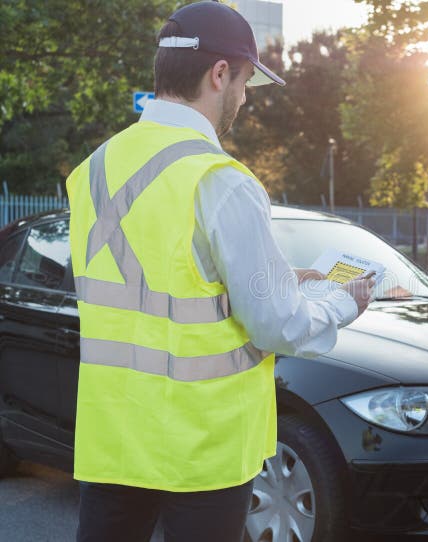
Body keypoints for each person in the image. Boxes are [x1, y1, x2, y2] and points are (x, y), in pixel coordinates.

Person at [65, 2, 375, 541]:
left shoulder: (93, 169)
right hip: (200, 451)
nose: (246, 97)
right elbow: (277, 326)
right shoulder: (220, 179)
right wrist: (342, 302)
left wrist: (278, 276)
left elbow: (143, 285)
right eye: (247, 81)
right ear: (219, 74)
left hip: (113, 438)